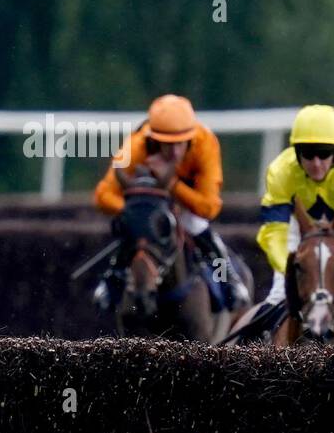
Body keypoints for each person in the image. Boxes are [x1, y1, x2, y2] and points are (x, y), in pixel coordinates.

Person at [91, 94, 250, 312]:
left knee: (198, 226)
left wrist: (173, 183)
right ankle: (110, 280)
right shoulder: (137, 146)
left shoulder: (205, 144)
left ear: (191, 137)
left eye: (180, 144)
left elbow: (209, 208)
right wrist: (137, 215)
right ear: (153, 139)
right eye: (167, 145)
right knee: (132, 233)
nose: (175, 153)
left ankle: (229, 279)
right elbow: (103, 195)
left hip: (189, 207)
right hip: (150, 207)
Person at [254, 104, 334, 331]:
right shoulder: (281, 171)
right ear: (296, 153)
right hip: (296, 228)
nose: (316, 163)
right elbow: (275, 232)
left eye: (324, 154)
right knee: (278, 293)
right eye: (308, 154)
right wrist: (292, 270)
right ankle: (252, 346)